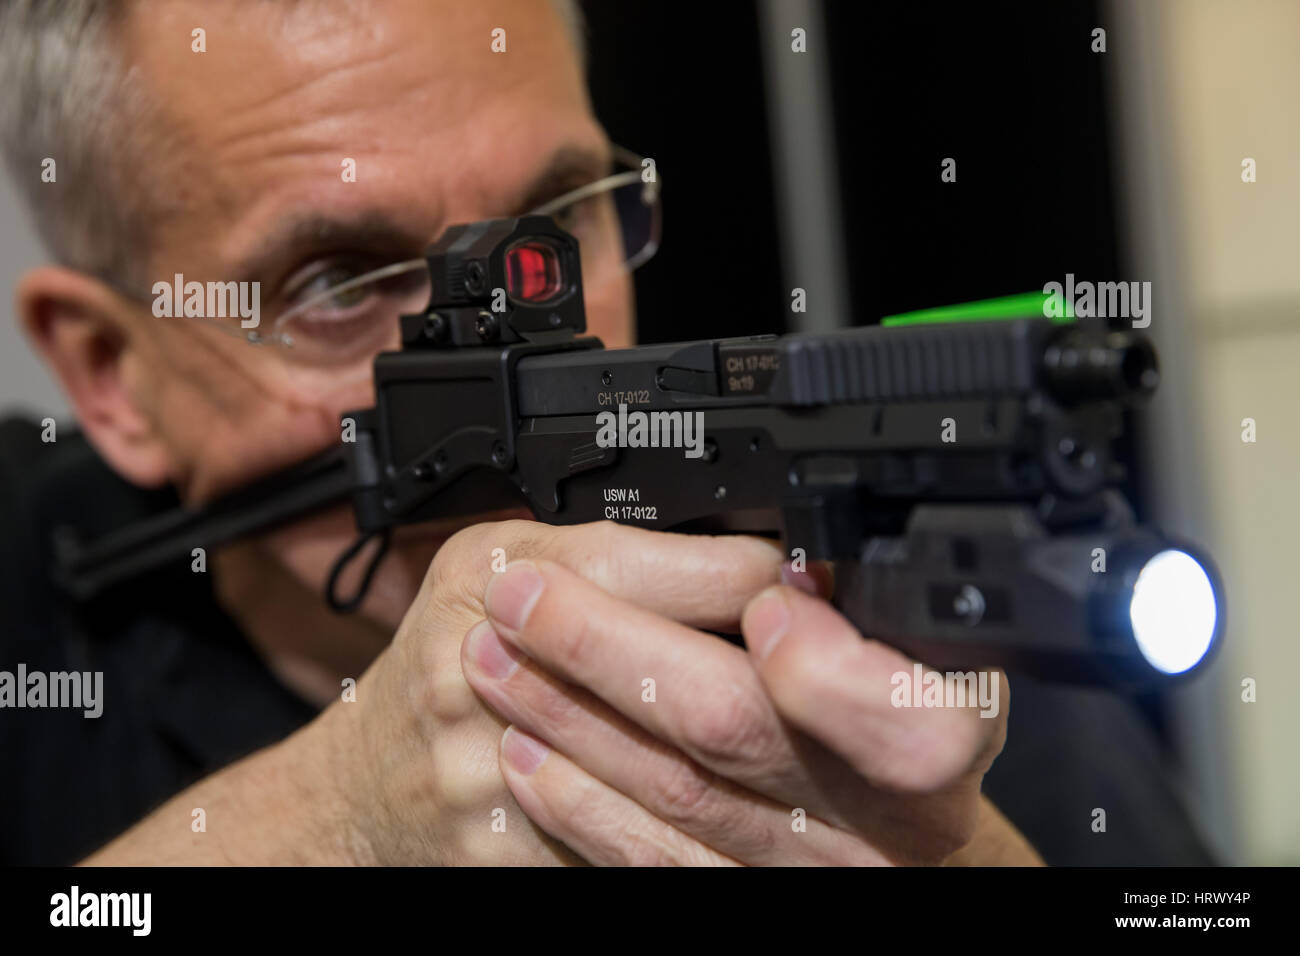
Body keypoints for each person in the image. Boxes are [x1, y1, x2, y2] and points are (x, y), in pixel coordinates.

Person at [0, 0, 1210, 866]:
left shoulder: (886, 619)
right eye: (338, 281)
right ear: (109, 371)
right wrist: (335, 819)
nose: (510, 352)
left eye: (554, 223)